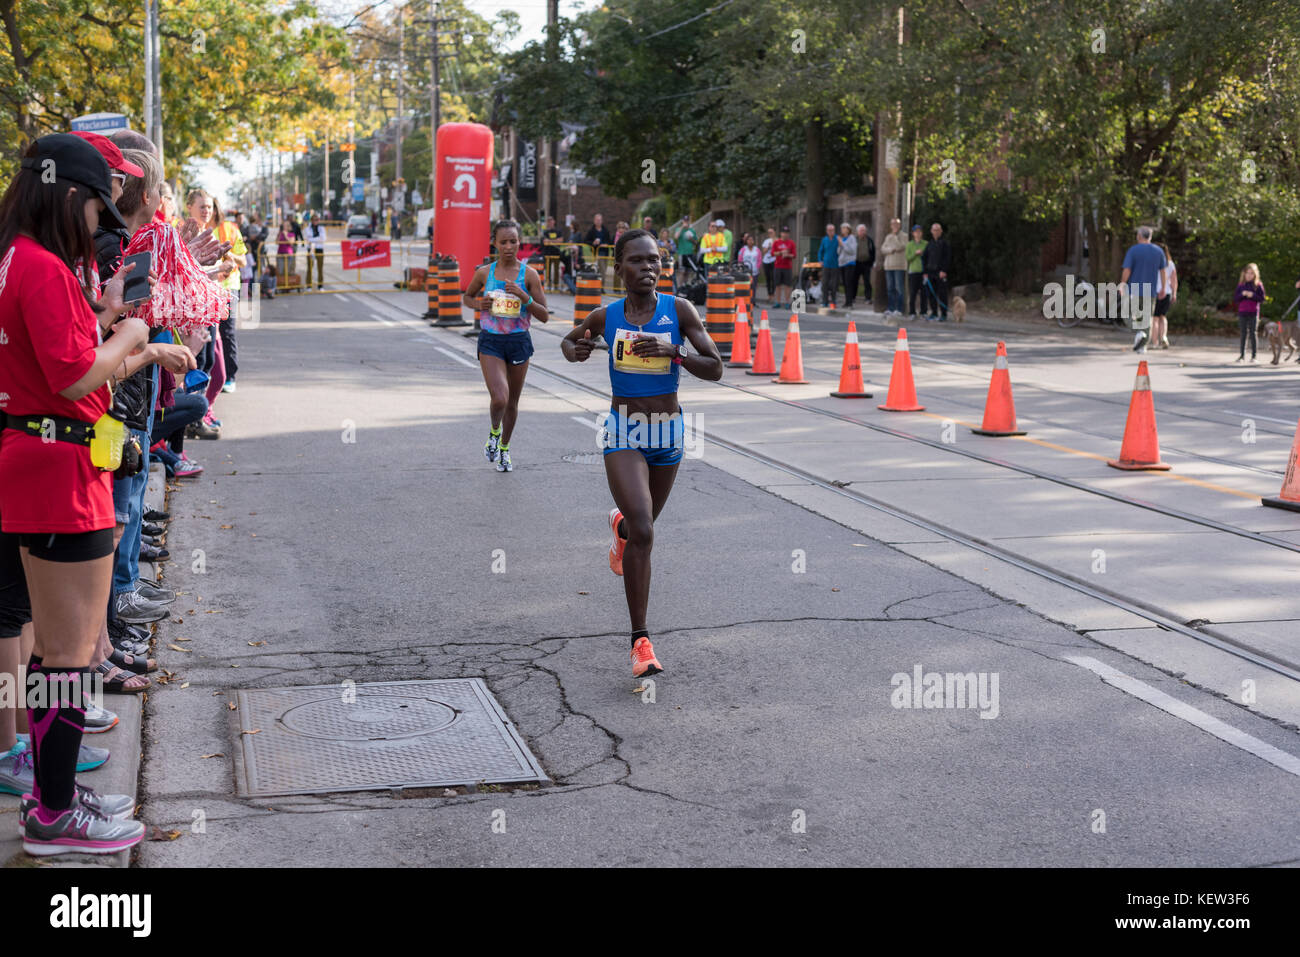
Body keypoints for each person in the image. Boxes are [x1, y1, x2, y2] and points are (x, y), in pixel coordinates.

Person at [0, 133, 196, 855]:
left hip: (38, 456)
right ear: (72, 196)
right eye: (99, 210)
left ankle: (55, 795)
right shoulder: (44, 266)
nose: (103, 227)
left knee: (57, 649)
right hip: (59, 467)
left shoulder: (13, 257)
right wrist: (136, 331)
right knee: (69, 653)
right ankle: (53, 811)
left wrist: (113, 327)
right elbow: (75, 375)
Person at [560, 229, 723, 678]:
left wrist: (677, 353)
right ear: (620, 269)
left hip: (668, 433)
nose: (648, 268)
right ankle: (640, 642)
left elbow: (716, 368)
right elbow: (569, 344)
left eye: (654, 260)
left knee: (639, 529)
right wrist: (579, 349)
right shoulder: (606, 315)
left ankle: (620, 527)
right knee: (646, 531)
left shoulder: (679, 310)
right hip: (624, 431)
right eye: (637, 261)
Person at [462, 220, 549, 472]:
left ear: (519, 242)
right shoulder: (484, 273)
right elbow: (467, 296)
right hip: (491, 340)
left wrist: (525, 297)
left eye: (513, 241)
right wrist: (479, 305)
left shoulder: (529, 275)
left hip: (519, 341)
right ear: (495, 243)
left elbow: (544, 315)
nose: (509, 247)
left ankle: (505, 449)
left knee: (512, 402)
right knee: (499, 398)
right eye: (503, 242)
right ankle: (494, 432)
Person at [1232, 263, 1265, 363]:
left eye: (1251, 273)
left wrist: (1253, 295)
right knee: (1243, 333)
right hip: (1242, 312)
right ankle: (1242, 356)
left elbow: (1262, 299)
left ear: (1255, 274)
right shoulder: (1241, 285)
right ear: (1244, 274)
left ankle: (1254, 356)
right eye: (1247, 273)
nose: (1249, 275)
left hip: (1253, 313)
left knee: (1253, 333)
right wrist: (1242, 294)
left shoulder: (1258, 285)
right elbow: (1235, 299)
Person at [922, 222, 951, 320]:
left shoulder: (944, 244)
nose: (936, 232)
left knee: (942, 293)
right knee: (931, 293)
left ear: (941, 231)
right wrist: (925, 272)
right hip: (930, 272)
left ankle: (943, 314)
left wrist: (944, 270)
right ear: (931, 231)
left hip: (940, 273)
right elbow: (924, 258)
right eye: (934, 230)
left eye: (938, 230)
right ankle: (934, 312)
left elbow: (947, 258)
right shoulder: (929, 244)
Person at [1152, 241, 1177, 349]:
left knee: (1155, 318)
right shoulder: (1170, 264)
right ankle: (1164, 337)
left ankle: (1155, 342)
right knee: (1163, 317)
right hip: (1167, 292)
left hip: (1155, 292)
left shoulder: (1152, 263)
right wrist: (1174, 293)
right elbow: (1174, 280)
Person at [881, 218, 907, 317]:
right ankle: (891, 308)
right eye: (893, 224)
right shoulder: (888, 237)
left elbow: (901, 246)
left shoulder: (904, 236)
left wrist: (896, 237)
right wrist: (890, 250)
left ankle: (899, 309)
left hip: (899, 265)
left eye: (896, 224)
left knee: (899, 288)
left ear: (899, 225)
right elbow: (883, 249)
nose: (894, 226)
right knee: (890, 288)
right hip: (888, 265)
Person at [848, 223, 875, 309]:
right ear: (858, 232)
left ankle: (868, 298)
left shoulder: (869, 240)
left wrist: (872, 262)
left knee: (867, 281)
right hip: (856, 263)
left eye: (864, 230)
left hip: (866, 263)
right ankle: (852, 297)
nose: (863, 232)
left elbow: (873, 251)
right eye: (861, 230)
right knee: (854, 281)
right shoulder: (854, 240)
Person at [905, 225, 927, 319]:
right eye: (916, 232)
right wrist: (915, 254)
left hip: (923, 272)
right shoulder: (909, 244)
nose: (918, 233)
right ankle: (912, 312)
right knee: (913, 293)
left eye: (919, 231)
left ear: (922, 233)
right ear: (913, 233)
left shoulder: (926, 244)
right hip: (913, 271)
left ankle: (923, 312)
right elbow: (908, 258)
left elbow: (929, 257)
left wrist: (923, 254)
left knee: (924, 293)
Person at [772, 225, 795, 309]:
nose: (785, 234)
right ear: (781, 233)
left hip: (787, 267)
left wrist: (788, 255)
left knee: (787, 285)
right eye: (784, 233)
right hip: (778, 266)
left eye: (787, 233)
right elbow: (773, 253)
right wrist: (781, 252)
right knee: (777, 285)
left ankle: (787, 302)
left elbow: (794, 255)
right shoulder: (776, 242)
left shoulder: (791, 243)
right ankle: (777, 302)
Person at [835, 223, 857, 308]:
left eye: (844, 228)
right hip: (842, 263)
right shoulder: (842, 239)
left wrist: (842, 244)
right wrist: (840, 245)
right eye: (841, 228)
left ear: (848, 229)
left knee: (849, 283)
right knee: (844, 283)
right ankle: (847, 301)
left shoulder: (852, 238)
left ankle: (850, 302)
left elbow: (852, 251)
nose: (842, 230)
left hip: (849, 263)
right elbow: (838, 252)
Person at [818, 224, 839, 308]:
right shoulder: (824, 240)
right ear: (827, 231)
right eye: (829, 230)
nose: (831, 232)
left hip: (835, 265)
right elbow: (820, 251)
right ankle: (825, 301)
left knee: (834, 284)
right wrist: (820, 260)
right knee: (824, 283)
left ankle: (833, 301)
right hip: (826, 264)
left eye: (832, 230)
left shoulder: (837, 239)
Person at [304, 215, 326, 291]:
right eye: (314, 220)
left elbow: (323, 238)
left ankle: (320, 285)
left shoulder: (321, 228)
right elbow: (308, 239)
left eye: (317, 220)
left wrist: (313, 239)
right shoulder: (307, 229)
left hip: (320, 248)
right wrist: (317, 239)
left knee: (320, 268)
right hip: (311, 249)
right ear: (311, 220)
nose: (315, 221)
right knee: (309, 267)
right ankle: (309, 285)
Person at [738, 233, 761, 301]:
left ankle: (753, 300)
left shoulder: (757, 250)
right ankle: (745, 299)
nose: (750, 241)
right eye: (749, 240)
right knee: (746, 286)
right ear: (746, 241)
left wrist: (757, 267)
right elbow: (740, 259)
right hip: (745, 272)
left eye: (752, 240)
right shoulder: (743, 249)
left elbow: (759, 260)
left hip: (754, 272)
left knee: (753, 286)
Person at [761, 226, 777, 300]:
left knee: (774, 277)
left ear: (774, 232)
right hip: (766, 261)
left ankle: (773, 293)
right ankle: (769, 294)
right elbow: (763, 251)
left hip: (774, 260)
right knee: (768, 278)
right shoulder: (766, 241)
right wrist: (768, 247)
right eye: (769, 232)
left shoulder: (777, 240)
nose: (770, 234)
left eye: (771, 232)